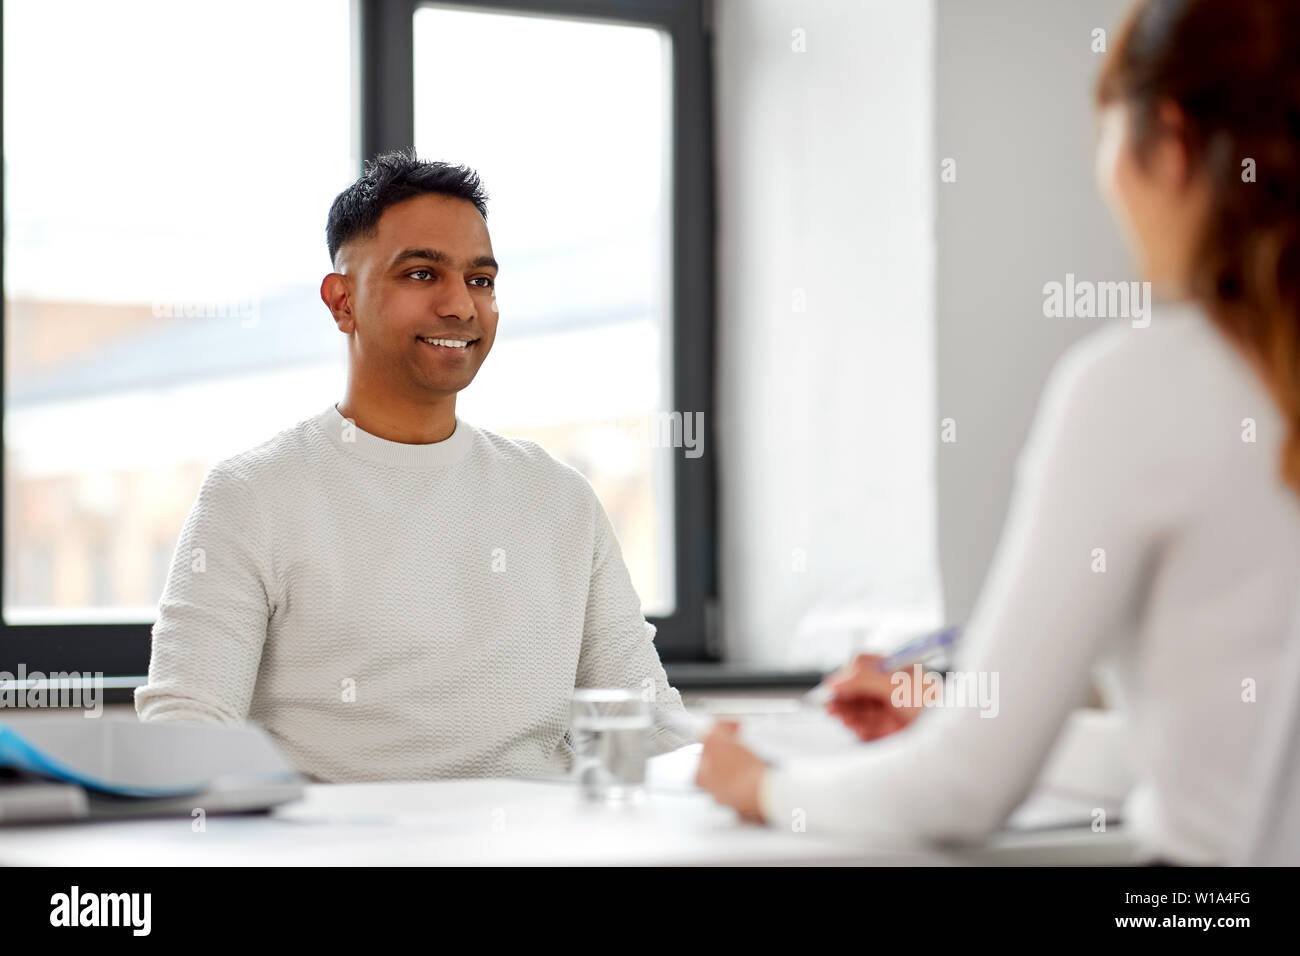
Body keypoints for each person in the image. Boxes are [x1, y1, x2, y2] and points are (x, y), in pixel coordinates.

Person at [696, 0, 1300, 865]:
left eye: (1102, 137)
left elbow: (962, 790)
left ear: (1165, 141)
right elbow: (1201, 748)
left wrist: (760, 789)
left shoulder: (1142, 385)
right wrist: (958, 712)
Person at [136, 150, 692, 781]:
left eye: (480, 280)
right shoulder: (252, 495)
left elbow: (648, 724)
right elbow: (189, 725)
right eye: (423, 274)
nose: (460, 306)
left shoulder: (559, 497)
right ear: (341, 300)